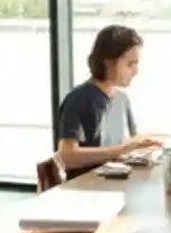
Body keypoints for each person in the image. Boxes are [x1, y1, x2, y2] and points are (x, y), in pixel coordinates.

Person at [56, 24, 160, 177]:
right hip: (86, 190)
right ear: (109, 62)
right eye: (131, 64)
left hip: (116, 184)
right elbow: (67, 156)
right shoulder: (78, 99)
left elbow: (131, 143)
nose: (136, 71)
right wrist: (123, 149)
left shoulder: (122, 99)